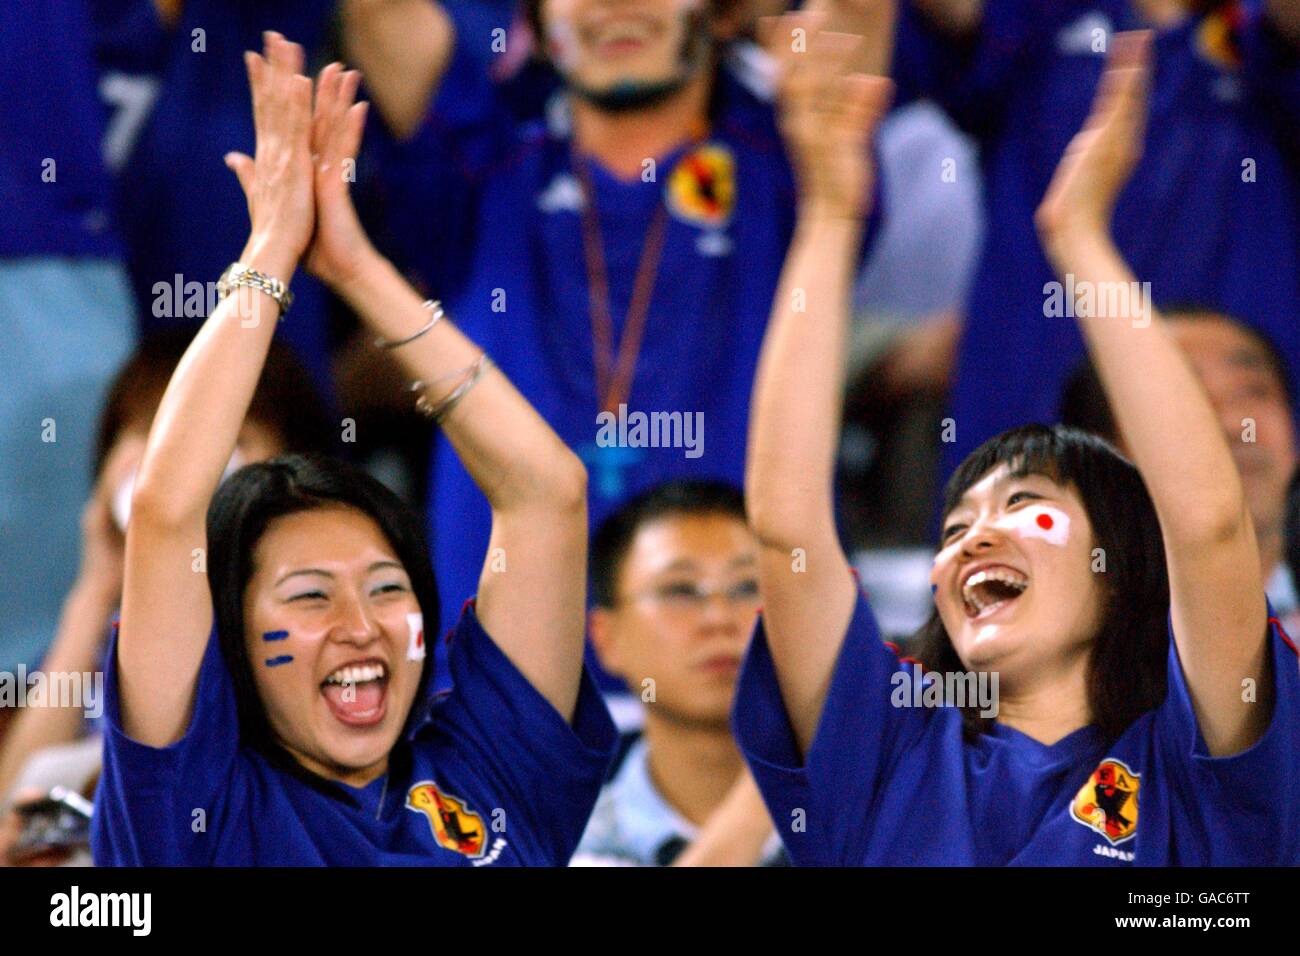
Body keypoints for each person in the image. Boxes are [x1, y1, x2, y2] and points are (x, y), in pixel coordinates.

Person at [736, 30, 1300, 864]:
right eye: (956, 526)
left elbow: (1212, 528)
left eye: (1027, 508)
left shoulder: (1198, 759)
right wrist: (827, 212)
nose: (975, 538)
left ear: (1120, 560)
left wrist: (1079, 237)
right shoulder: (886, 752)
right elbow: (787, 528)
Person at [91, 33, 615, 866]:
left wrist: (356, 267)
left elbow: (545, 492)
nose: (361, 625)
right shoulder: (195, 807)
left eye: (385, 587)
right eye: (308, 598)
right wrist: (268, 255)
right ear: (227, 639)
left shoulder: (494, 777)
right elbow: (165, 512)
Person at [342, 0, 892, 635]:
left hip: (753, 676)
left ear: (721, 13)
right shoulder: (479, 164)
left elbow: (856, 21)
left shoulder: (799, 155)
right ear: (538, 20)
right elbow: (380, 15)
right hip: (510, 687)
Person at [894, 0, 1300, 488]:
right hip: (1036, 403)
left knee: (1224, 535)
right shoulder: (1041, 23)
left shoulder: (1261, 35)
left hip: (1239, 436)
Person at [0, 330, 331, 819]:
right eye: (146, 430)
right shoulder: (102, 638)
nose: (174, 460)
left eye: (227, 437)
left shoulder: (307, 625)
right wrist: (95, 591)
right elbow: (13, 811)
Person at [573, 480, 781, 865]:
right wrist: (771, 792)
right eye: (680, 591)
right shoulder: (559, 833)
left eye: (748, 587)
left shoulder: (867, 812)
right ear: (606, 638)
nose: (719, 618)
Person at [1061, 309, 1299, 632]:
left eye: (1252, 390)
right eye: (1188, 396)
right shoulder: (1075, 648)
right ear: (1103, 453)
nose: (1233, 424)